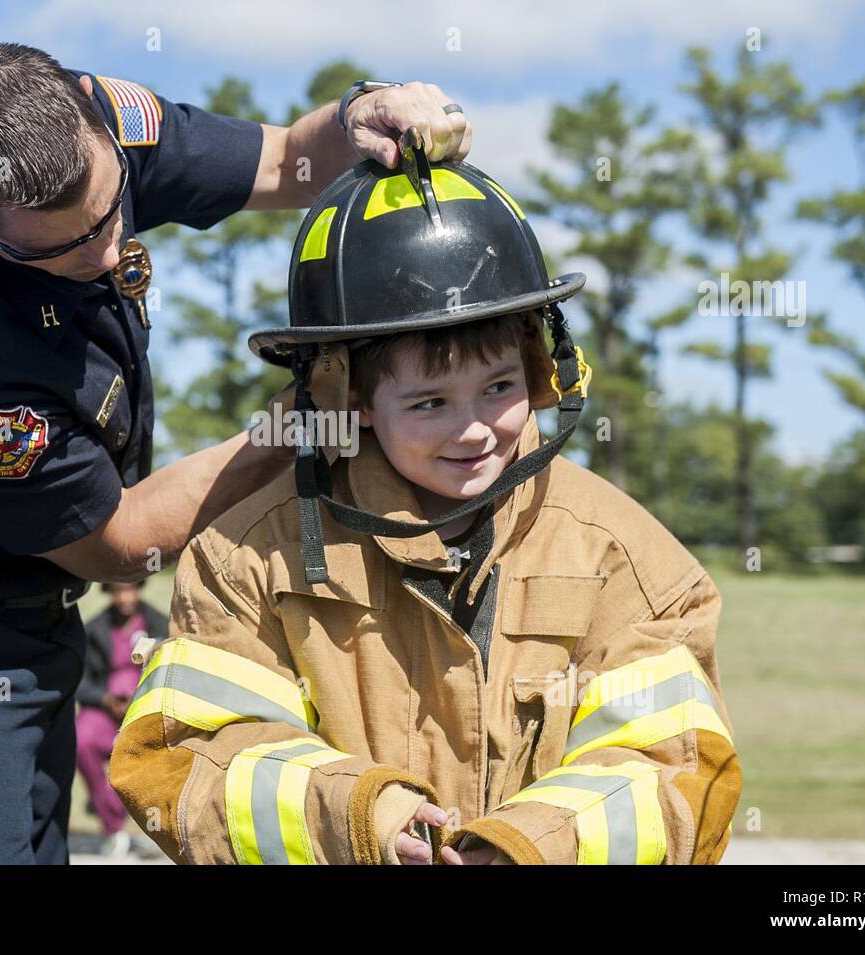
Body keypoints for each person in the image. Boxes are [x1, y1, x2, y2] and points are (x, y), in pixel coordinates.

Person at [0, 40, 475, 863]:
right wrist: (305, 417)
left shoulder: (95, 125)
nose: (110, 252)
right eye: (64, 250)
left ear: (93, 110)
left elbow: (288, 159)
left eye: (114, 211)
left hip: (33, 620)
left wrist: (360, 114)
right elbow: (116, 541)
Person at [109, 135, 742, 864]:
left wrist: (525, 847)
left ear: (540, 371)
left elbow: (674, 770)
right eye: (430, 401)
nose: (474, 429)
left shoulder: (626, 559)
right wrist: (361, 818)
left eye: (500, 387)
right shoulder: (245, 559)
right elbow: (187, 762)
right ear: (353, 398)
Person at [73, 581, 166, 856]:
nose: (126, 597)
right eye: (119, 590)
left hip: (145, 709)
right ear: (110, 593)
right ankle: (113, 824)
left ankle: (158, 829)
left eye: (131, 589)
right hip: (105, 708)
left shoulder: (159, 624)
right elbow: (81, 680)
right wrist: (105, 700)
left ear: (140, 589)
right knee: (82, 740)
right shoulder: (94, 629)